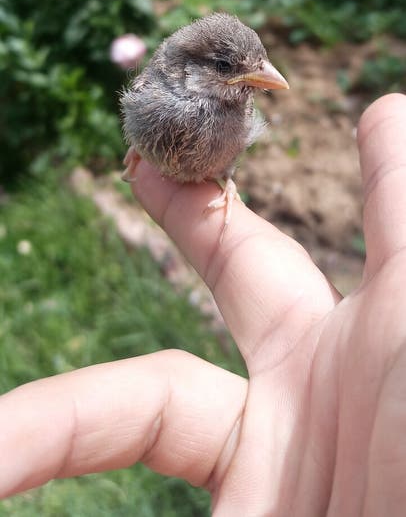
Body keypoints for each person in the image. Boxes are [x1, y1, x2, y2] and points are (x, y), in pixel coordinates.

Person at [1, 92, 406, 515]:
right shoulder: (151, 94)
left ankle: (222, 177)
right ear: (186, 70)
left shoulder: (235, 109)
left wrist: (226, 181)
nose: (261, 78)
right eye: (227, 65)